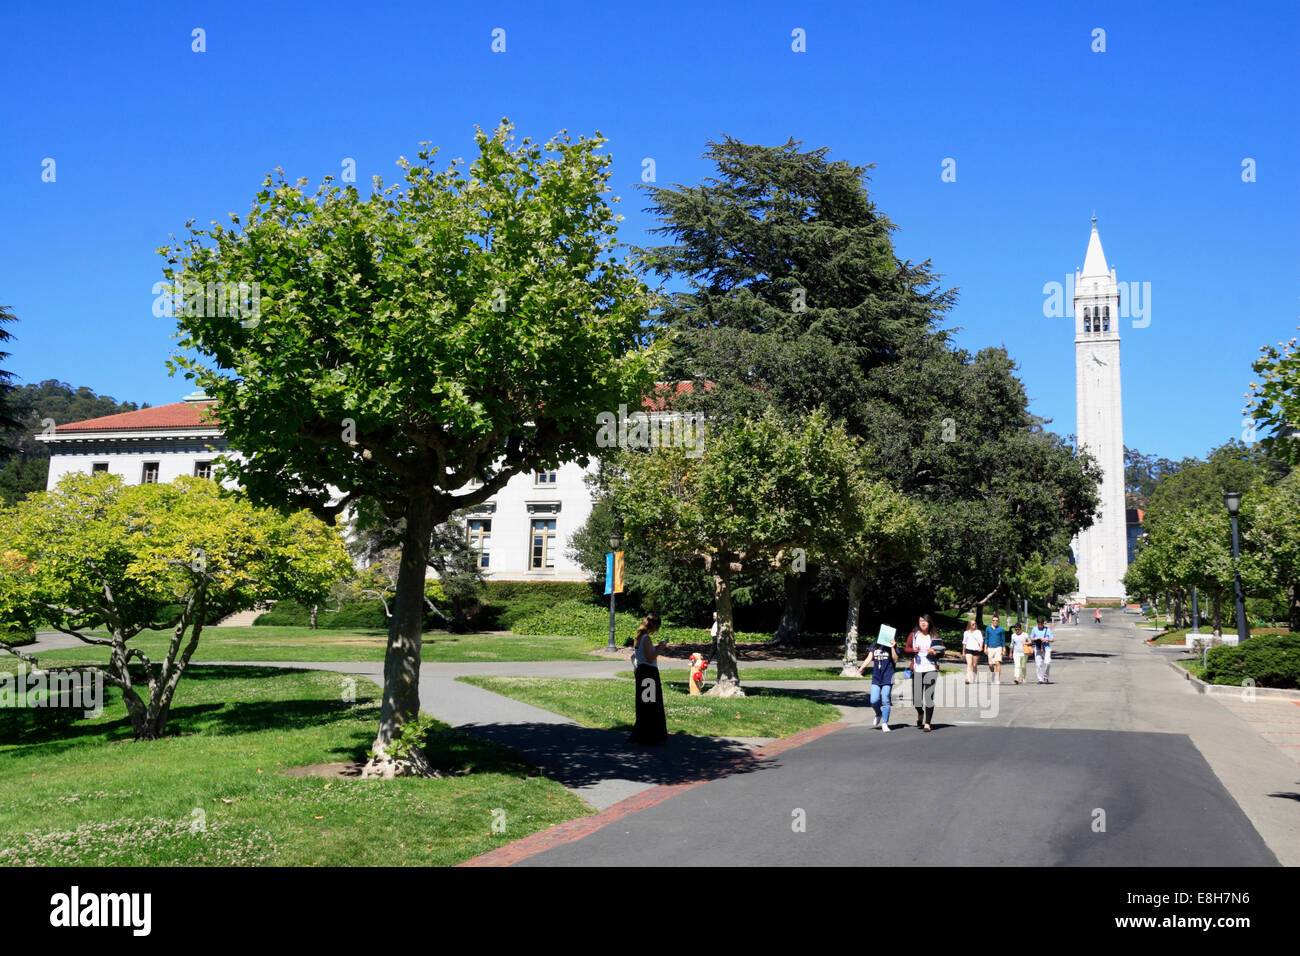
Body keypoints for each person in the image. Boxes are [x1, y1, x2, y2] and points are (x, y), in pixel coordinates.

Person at [629, 614, 668, 744]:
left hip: (641, 672)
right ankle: (650, 734)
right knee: (651, 703)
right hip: (649, 673)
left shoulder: (639, 637)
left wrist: (656, 648)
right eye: (657, 627)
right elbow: (651, 658)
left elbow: (645, 654)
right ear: (654, 626)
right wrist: (661, 649)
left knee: (644, 703)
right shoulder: (646, 638)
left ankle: (642, 732)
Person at [904, 614, 943, 732]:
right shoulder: (913, 635)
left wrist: (935, 653)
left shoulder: (935, 636)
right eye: (921, 621)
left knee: (929, 697)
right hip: (917, 669)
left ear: (929, 622)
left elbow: (942, 653)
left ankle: (927, 723)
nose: (923, 623)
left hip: (931, 669)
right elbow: (906, 649)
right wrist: (912, 650)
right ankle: (920, 713)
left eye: (925, 621)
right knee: (916, 699)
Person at [858, 637, 899, 731]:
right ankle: (878, 714)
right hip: (876, 677)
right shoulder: (874, 645)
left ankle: (885, 723)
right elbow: (869, 657)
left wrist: (893, 647)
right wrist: (861, 668)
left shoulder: (893, 645)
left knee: (885, 700)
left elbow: (895, 660)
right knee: (873, 700)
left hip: (888, 677)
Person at [1030, 616, 1054, 684]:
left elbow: (1052, 639)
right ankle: (1040, 679)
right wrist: (1036, 639)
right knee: (1038, 664)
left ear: (1043, 623)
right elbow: (1031, 638)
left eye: (1041, 624)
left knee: (1048, 662)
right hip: (1038, 648)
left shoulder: (1047, 630)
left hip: (1046, 648)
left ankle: (1046, 677)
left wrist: (1046, 639)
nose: (1040, 625)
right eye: (1039, 624)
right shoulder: (1034, 629)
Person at [984, 614, 1006, 684]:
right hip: (990, 648)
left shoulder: (1001, 629)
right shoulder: (988, 628)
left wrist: (1004, 649)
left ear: (998, 621)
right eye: (994, 620)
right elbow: (986, 639)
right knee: (990, 665)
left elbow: (1003, 640)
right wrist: (985, 648)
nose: (995, 622)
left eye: (996, 620)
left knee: (997, 663)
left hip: (998, 647)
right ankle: (993, 674)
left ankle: (997, 679)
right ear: (992, 621)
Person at [961, 618, 982, 684]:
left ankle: (975, 678)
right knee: (969, 664)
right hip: (968, 649)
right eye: (972, 624)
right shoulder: (966, 633)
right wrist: (963, 652)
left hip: (976, 649)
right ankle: (968, 679)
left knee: (974, 665)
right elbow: (964, 643)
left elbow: (981, 640)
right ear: (969, 625)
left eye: (975, 624)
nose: (974, 625)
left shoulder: (978, 632)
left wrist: (981, 647)